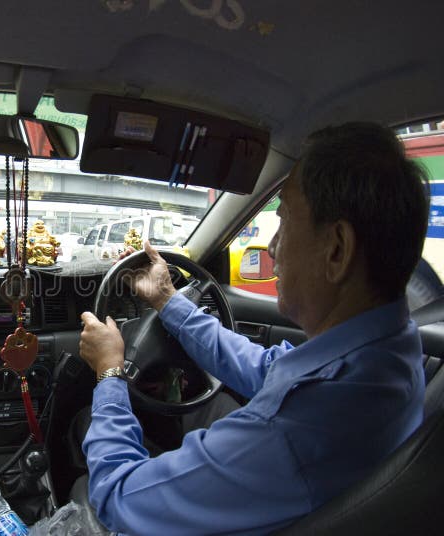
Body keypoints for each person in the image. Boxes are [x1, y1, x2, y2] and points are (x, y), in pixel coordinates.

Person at [78, 122, 429, 534]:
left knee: (82, 472)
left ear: (337, 249)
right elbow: (265, 368)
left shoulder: (290, 432)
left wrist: (109, 373)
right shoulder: (390, 352)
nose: (271, 245)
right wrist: (167, 301)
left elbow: (117, 496)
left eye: (284, 220)